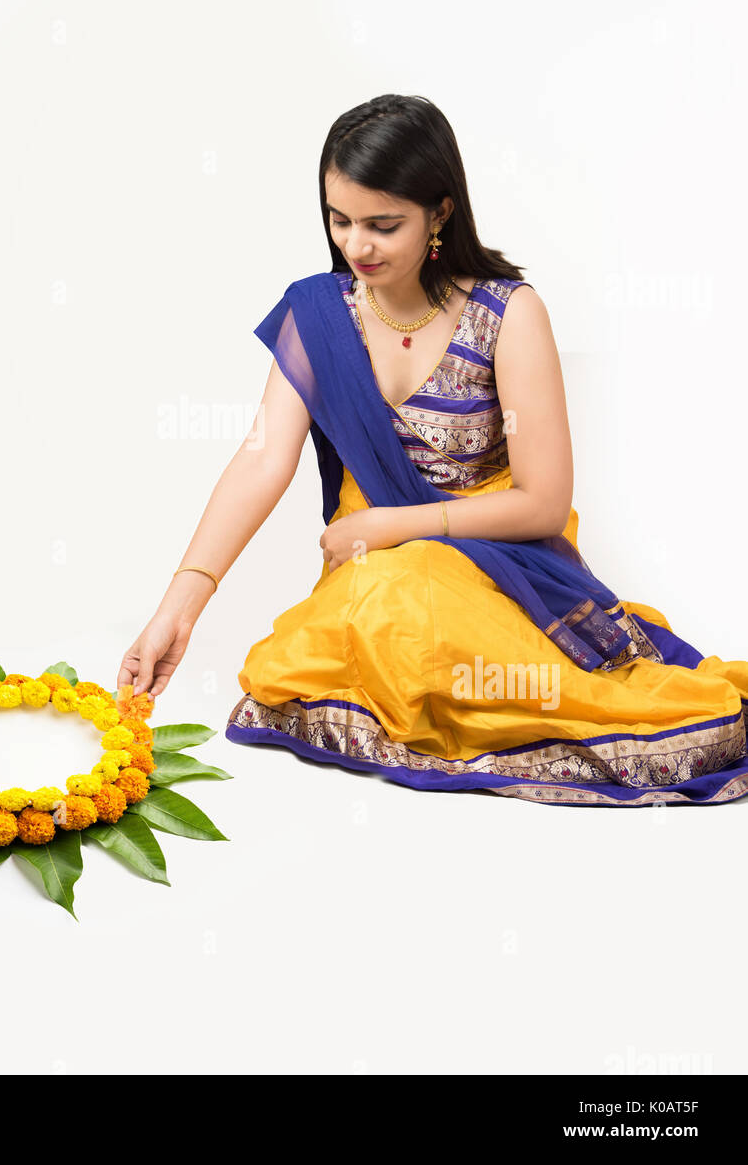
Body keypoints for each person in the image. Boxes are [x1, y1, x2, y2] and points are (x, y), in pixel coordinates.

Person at [117, 94, 748, 806]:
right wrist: (180, 606)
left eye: (384, 225)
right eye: (340, 220)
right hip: (372, 585)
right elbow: (262, 458)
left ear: (440, 212)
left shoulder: (507, 313)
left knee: (417, 600)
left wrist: (395, 526)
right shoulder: (318, 313)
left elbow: (543, 503)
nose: (357, 246)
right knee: (368, 611)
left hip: (502, 576)